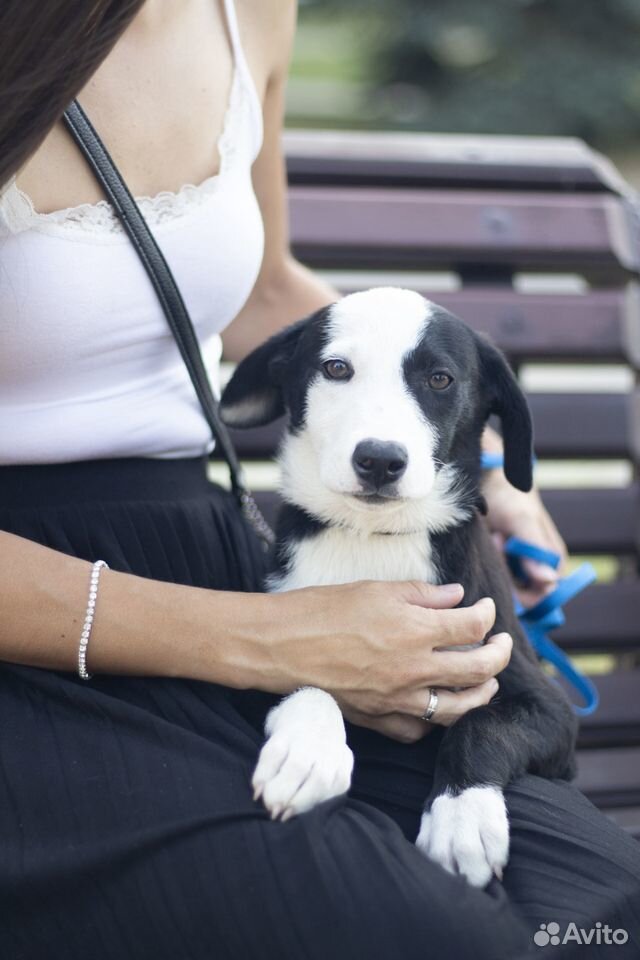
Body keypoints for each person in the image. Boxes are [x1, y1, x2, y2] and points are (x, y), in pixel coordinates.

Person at [0, 2, 638, 958]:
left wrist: (464, 449)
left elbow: (264, 297)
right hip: (40, 627)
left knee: (596, 904)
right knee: (430, 934)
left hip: (218, 560)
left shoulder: (246, 9)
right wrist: (267, 645)